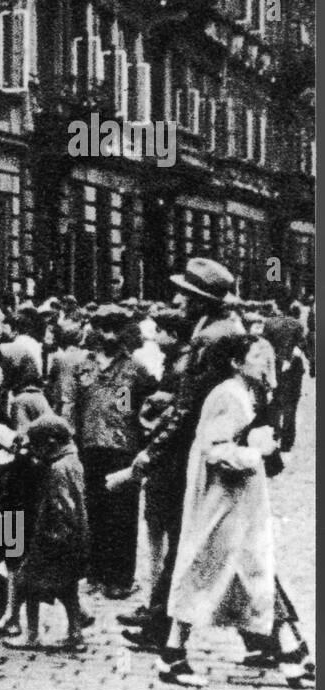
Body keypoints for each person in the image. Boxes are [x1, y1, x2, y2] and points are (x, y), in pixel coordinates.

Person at [157, 334, 313, 689]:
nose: (266, 363)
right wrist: (256, 450)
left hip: (237, 505)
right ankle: (291, 659)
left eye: (269, 356)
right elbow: (215, 450)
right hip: (222, 508)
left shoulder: (244, 392)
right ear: (236, 363)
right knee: (211, 576)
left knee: (244, 576)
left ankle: (290, 656)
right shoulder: (228, 395)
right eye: (258, 357)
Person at [120, 259, 246, 650]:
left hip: (194, 451)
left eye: (184, 294)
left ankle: (164, 628)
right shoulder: (215, 328)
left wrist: (151, 453)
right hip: (205, 444)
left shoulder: (213, 336)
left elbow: (189, 406)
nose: (177, 300)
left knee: (203, 543)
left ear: (199, 300)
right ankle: (160, 622)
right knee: (206, 543)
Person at [69, 305, 155, 601]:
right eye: (103, 328)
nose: (109, 334)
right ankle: (95, 572)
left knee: (122, 515)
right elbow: (72, 407)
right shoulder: (83, 366)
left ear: (124, 332)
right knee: (93, 512)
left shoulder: (135, 369)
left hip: (122, 450)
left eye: (115, 328)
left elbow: (144, 411)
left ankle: (120, 577)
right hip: (90, 448)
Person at [4, 414, 90, 653]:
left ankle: (32, 635)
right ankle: (76, 634)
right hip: (75, 538)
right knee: (68, 588)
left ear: (51, 443)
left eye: (35, 444)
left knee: (26, 583)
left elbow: (62, 507)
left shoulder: (57, 470)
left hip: (54, 538)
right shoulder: (74, 461)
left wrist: (50, 536)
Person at [262, 283, 308, 453]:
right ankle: (287, 441)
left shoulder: (269, 323)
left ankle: (274, 435)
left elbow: (264, 346)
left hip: (275, 366)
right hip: (294, 368)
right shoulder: (297, 324)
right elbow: (302, 346)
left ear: (276, 304)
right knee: (291, 404)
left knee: (275, 402)